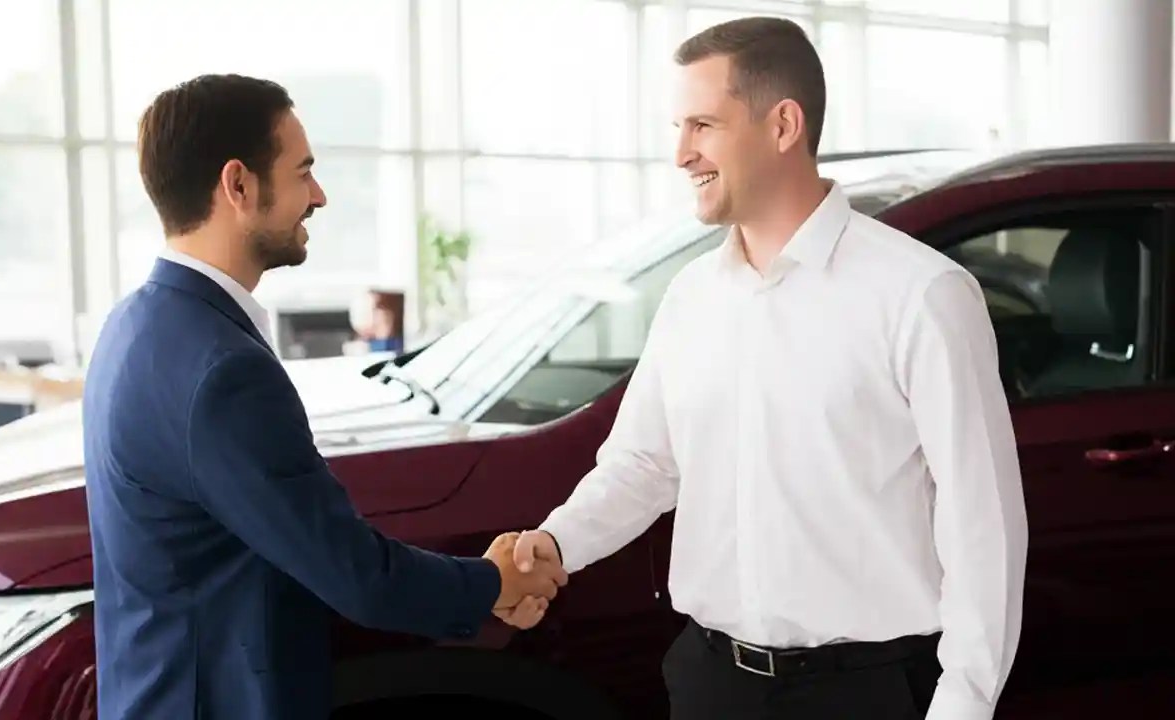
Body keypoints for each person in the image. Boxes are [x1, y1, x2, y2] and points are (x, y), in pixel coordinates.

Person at [510, 17, 1028, 720]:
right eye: (677, 127)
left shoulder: (921, 295)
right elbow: (642, 465)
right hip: (711, 683)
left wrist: (962, 706)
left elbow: (982, 528)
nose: (682, 154)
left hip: (862, 694)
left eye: (702, 125)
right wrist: (554, 542)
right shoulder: (692, 295)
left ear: (784, 124)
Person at [82, 74, 565, 720]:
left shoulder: (135, 326)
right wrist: (496, 581)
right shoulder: (224, 372)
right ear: (239, 185)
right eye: (303, 171)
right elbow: (357, 576)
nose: (319, 195)